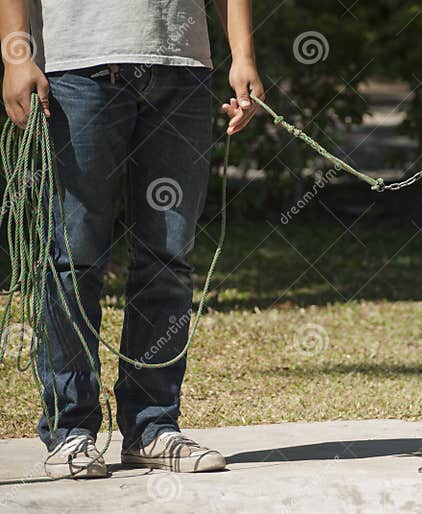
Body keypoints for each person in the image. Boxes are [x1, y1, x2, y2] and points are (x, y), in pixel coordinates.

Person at [0, 0, 264, 478]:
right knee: (73, 257)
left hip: (181, 65)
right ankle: (70, 431)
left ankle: (152, 428)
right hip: (77, 65)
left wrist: (242, 55)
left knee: (169, 257)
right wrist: (17, 57)